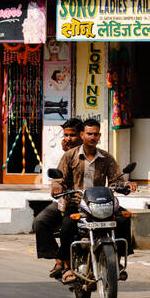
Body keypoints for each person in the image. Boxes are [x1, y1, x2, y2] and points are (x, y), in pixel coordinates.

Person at [56, 119, 136, 284]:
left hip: (101, 203)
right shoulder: (70, 156)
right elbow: (59, 179)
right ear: (82, 135)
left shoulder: (106, 158)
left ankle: (118, 262)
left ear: (99, 136)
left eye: (95, 134)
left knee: (124, 219)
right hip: (77, 204)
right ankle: (66, 267)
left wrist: (126, 185)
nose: (92, 137)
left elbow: (116, 180)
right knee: (66, 226)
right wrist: (57, 188)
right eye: (89, 134)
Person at [33, 117, 83, 279]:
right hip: (64, 201)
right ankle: (59, 259)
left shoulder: (91, 152)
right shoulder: (58, 153)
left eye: (72, 135)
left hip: (87, 203)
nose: (68, 139)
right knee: (40, 221)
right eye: (66, 135)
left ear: (82, 135)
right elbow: (53, 177)